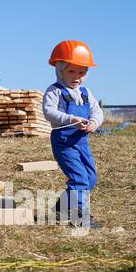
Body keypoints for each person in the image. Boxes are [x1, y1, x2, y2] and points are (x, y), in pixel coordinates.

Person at [42, 40, 104, 229]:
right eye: (71, 71)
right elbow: (48, 112)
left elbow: (97, 111)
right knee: (79, 178)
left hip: (82, 141)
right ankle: (80, 216)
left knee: (90, 178)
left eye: (82, 72)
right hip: (64, 142)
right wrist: (71, 119)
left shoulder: (86, 92)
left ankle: (60, 209)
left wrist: (94, 122)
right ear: (60, 70)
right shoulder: (54, 91)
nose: (76, 76)